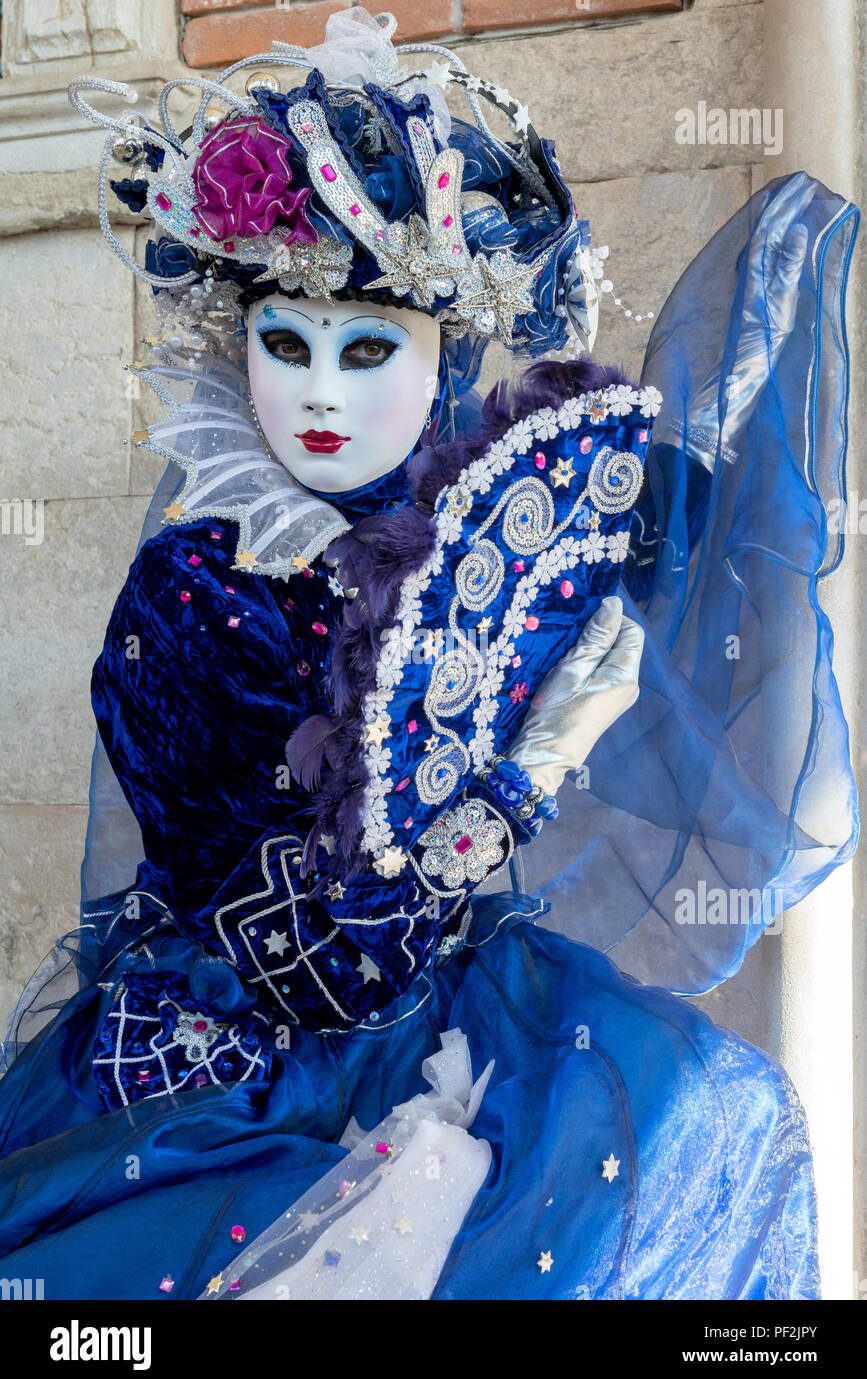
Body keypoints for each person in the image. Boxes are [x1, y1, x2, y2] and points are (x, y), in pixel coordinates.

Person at [0, 8, 858, 1301]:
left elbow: (675, 545)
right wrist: (522, 772)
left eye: (367, 348)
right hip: (246, 1049)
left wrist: (698, 491)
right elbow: (319, 956)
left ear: (446, 353)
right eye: (287, 346)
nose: (325, 397)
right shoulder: (196, 587)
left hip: (457, 991)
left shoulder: (460, 522)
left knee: (724, 1117)